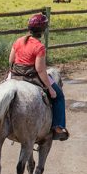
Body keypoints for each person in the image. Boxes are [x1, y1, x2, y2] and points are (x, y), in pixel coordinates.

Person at [9, 12, 69, 141]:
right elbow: (40, 70)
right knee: (59, 96)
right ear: (43, 30)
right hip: (31, 76)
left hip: (15, 75)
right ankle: (58, 127)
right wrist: (51, 89)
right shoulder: (39, 46)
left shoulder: (18, 41)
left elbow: (11, 60)